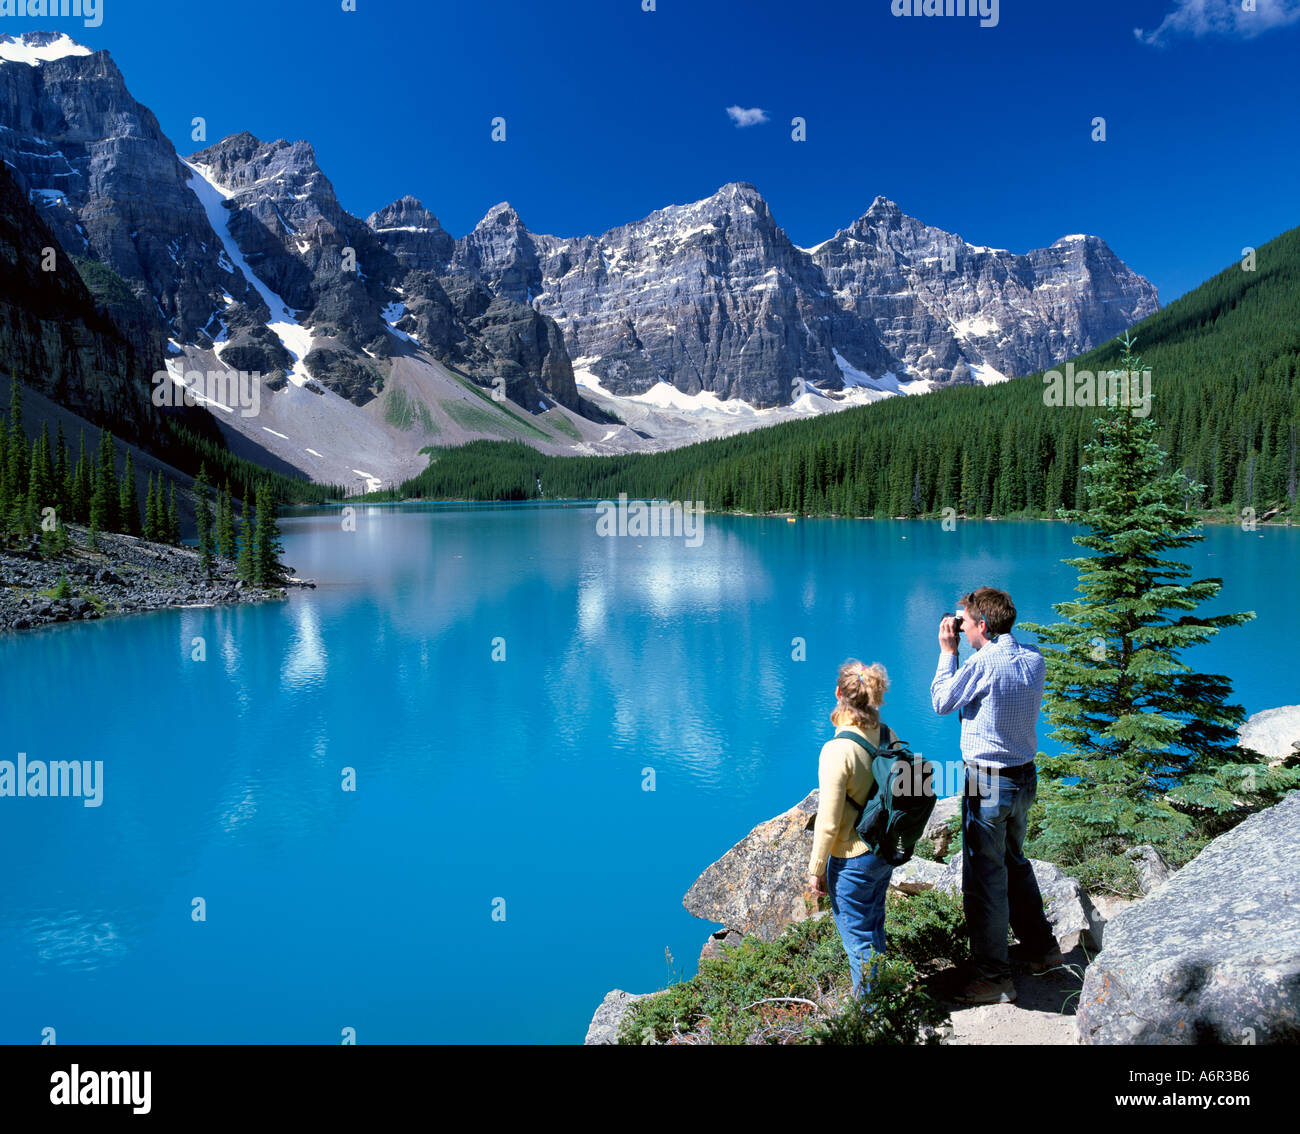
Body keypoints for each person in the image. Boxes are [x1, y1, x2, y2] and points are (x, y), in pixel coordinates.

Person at [930, 586, 1063, 1005]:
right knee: (1014, 862)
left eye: (965, 622)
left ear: (982, 625)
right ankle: (1042, 950)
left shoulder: (982, 662)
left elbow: (941, 701)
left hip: (988, 782)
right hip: (1024, 777)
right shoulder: (1033, 658)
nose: (960, 629)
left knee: (985, 881)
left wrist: (947, 651)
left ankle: (994, 977)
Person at [807, 659, 895, 998]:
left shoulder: (836, 750)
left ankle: (869, 1018)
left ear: (838, 693)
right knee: (874, 925)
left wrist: (816, 870)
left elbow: (828, 822)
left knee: (858, 939)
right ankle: (885, 999)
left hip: (852, 857)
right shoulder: (887, 734)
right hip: (883, 850)